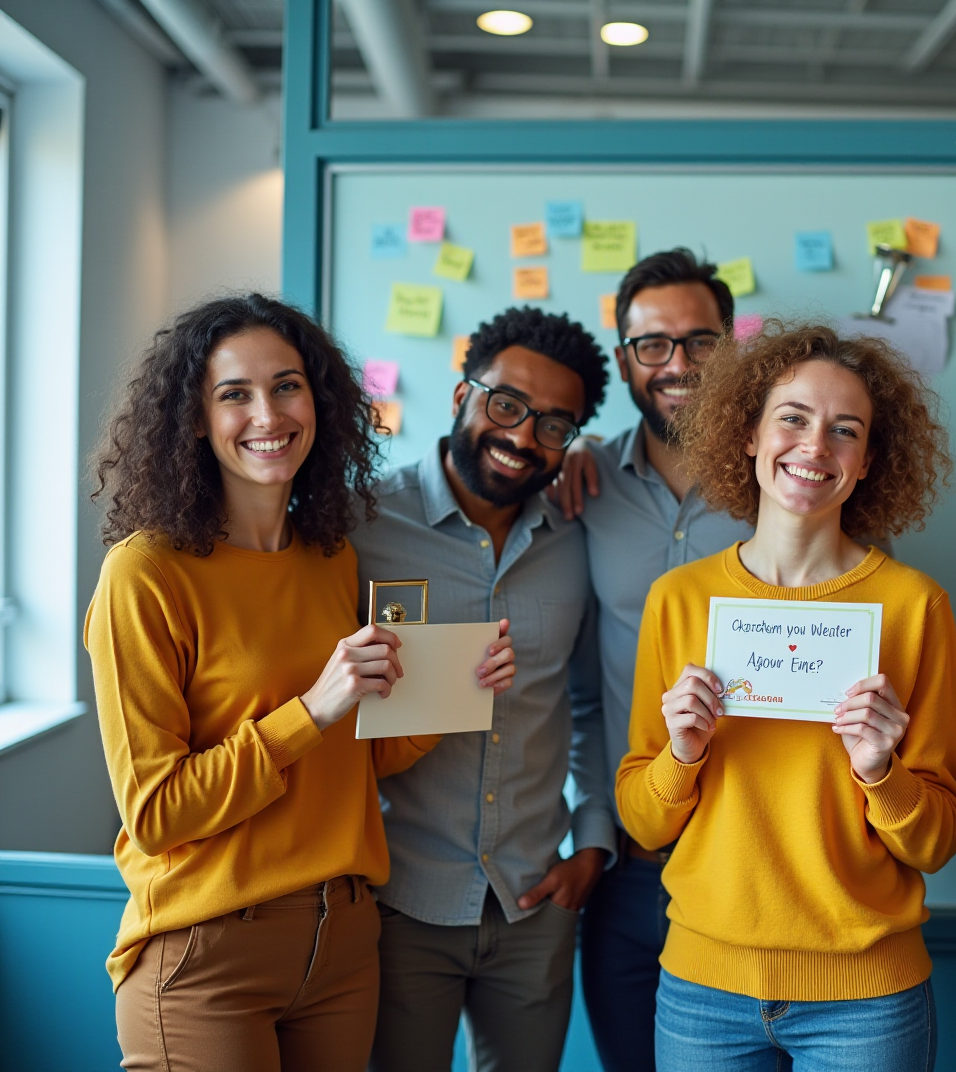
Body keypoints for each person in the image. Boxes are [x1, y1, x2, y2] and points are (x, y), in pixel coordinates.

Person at [85, 294, 512, 1071]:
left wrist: (456, 690)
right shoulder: (144, 573)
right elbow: (156, 812)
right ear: (193, 419)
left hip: (344, 941)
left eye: (287, 386)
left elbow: (350, 762)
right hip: (208, 948)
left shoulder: (330, 557)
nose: (268, 414)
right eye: (234, 394)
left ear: (320, 400)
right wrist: (310, 709)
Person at [616, 323, 956, 1072]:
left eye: (846, 430)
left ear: (868, 461)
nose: (815, 446)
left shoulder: (915, 607)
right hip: (703, 991)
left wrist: (880, 771)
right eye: (794, 418)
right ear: (749, 434)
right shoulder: (678, 599)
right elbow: (642, 821)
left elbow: (937, 843)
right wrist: (682, 754)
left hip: (867, 999)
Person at [353, 307, 613, 1072]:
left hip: (536, 901)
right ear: (462, 394)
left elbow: (590, 705)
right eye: (506, 404)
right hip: (399, 901)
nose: (522, 436)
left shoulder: (580, 535)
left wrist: (592, 842)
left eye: (554, 425)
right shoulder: (360, 527)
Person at [551, 249, 756, 1072]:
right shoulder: (581, 482)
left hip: (754, 865)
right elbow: (577, 692)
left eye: (700, 341)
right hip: (630, 868)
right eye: (653, 345)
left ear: (731, 345)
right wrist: (595, 832)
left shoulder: (785, 474)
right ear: (625, 357)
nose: (678, 364)